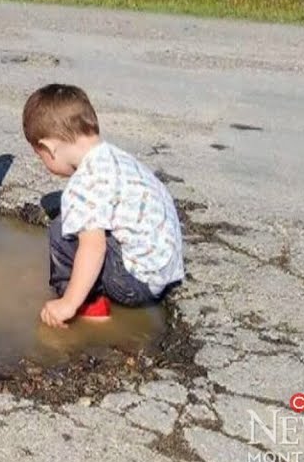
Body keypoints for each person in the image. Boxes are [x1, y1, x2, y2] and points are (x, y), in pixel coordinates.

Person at [21, 83, 184, 328]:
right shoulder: (117, 157)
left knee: (61, 229)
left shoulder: (83, 184)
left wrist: (68, 303)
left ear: (49, 147)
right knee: (87, 228)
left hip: (135, 285)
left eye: (39, 155)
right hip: (166, 269)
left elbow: (93, 248)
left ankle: (88, 304)